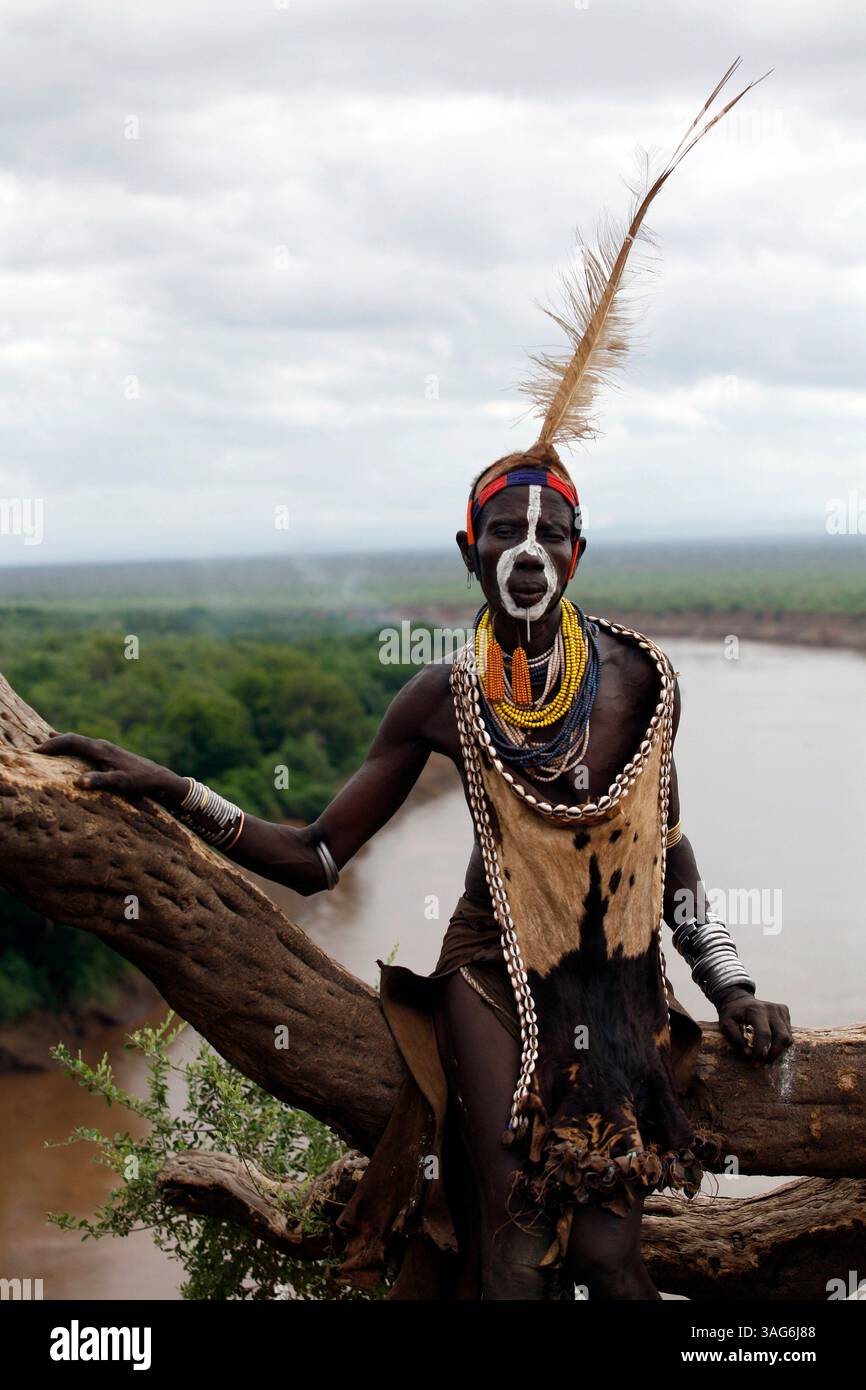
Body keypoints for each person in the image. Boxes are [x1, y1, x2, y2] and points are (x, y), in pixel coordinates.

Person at [36, 60, 792, 1300]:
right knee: (506, 1238)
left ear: (579, 554)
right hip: (494, 978)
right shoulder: (441, 700)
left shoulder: (645, 684)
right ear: (469, 554)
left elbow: (666, 851)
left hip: (616, 983)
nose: (528, 555)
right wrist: (173, 788)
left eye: (550, 537)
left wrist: (732, 984)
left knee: (611, 1254)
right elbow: (315, 860)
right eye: (505, 537)